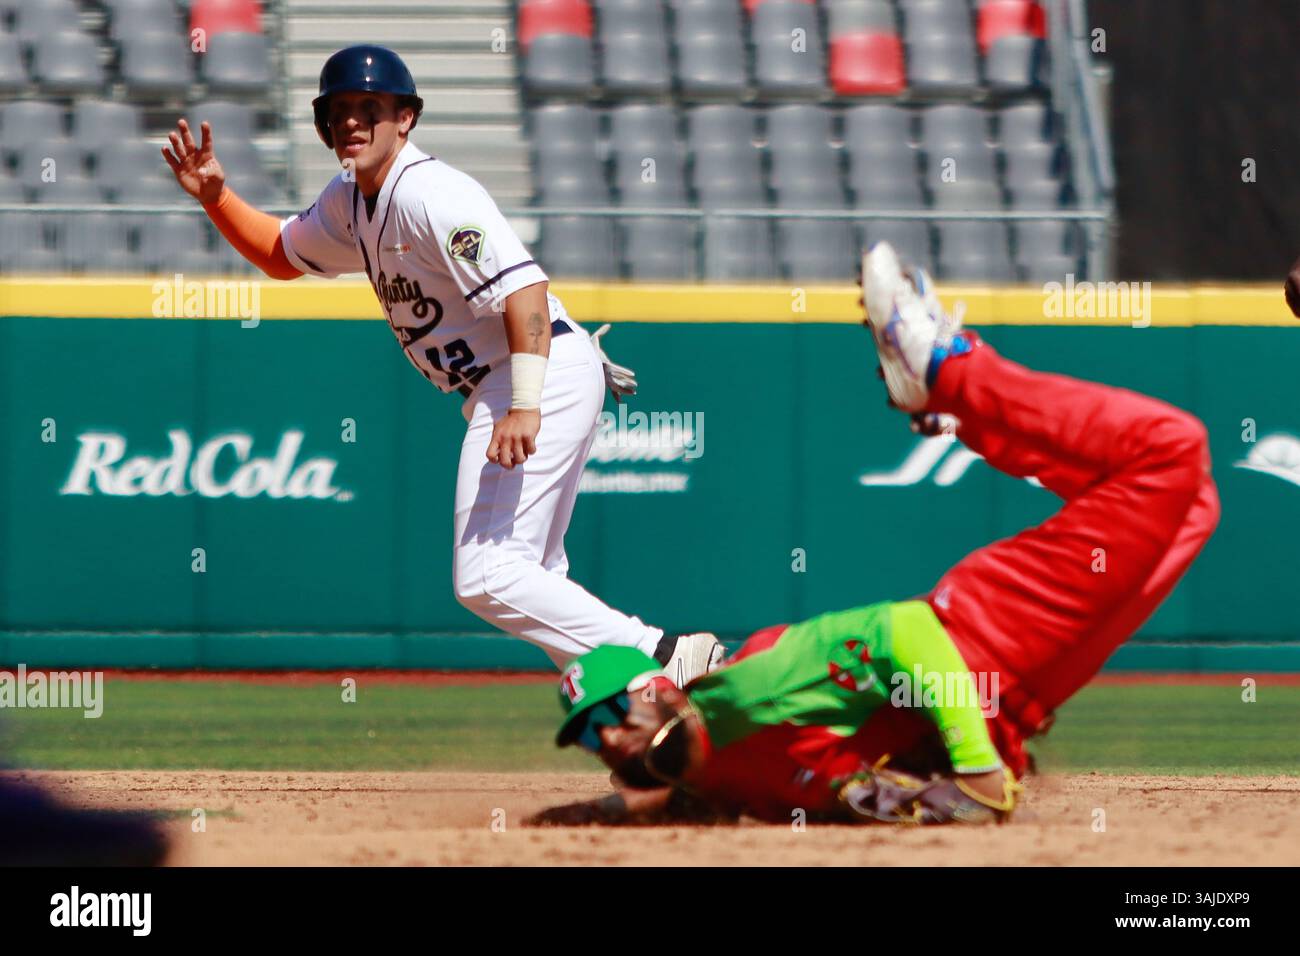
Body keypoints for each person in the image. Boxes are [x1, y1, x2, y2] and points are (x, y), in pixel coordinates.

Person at [532, 243, 1220, 826]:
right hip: (1016, 694)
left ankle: (949, 373)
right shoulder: (729, 778)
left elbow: (906, 635)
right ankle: (952, 418)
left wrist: (975, 768)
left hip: (984, 633)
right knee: (1193, 505)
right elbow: (735, 792)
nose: (606, 741)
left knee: (1170, 449)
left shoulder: (753, 688)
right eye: (589, 737)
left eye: (609, 716)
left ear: (660, 687)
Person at [162, 44, 721, 681]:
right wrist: (216, 197)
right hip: (523, 376)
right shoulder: (351, 201)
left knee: (486, 575)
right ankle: (644, 713)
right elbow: (280, 254)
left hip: (533, 371)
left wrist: (525, 403)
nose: (351, 120)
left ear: (406, 118)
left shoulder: (431, 193)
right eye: (338, 109)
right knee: (536, 582)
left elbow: (524, 291)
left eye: (368, 107)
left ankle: (666, 655)